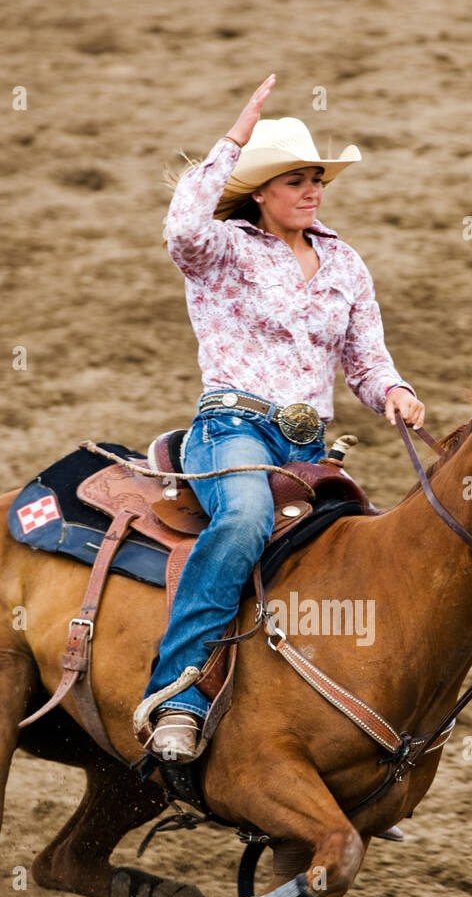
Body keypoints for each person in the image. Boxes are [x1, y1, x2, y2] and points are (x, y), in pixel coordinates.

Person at [135, 73, 425, 763]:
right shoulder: (224, 249)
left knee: (374, 558)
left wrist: (395, 391)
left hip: (307, 448)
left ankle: (357, 745)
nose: (311, 189)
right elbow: (180, 226)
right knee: (242, 518)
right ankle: (179, 693)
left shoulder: (346, 265)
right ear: (260, 190)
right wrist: (232, 140)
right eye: (295, 179)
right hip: (231, 429)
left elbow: (366, 362)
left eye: (317, 178)